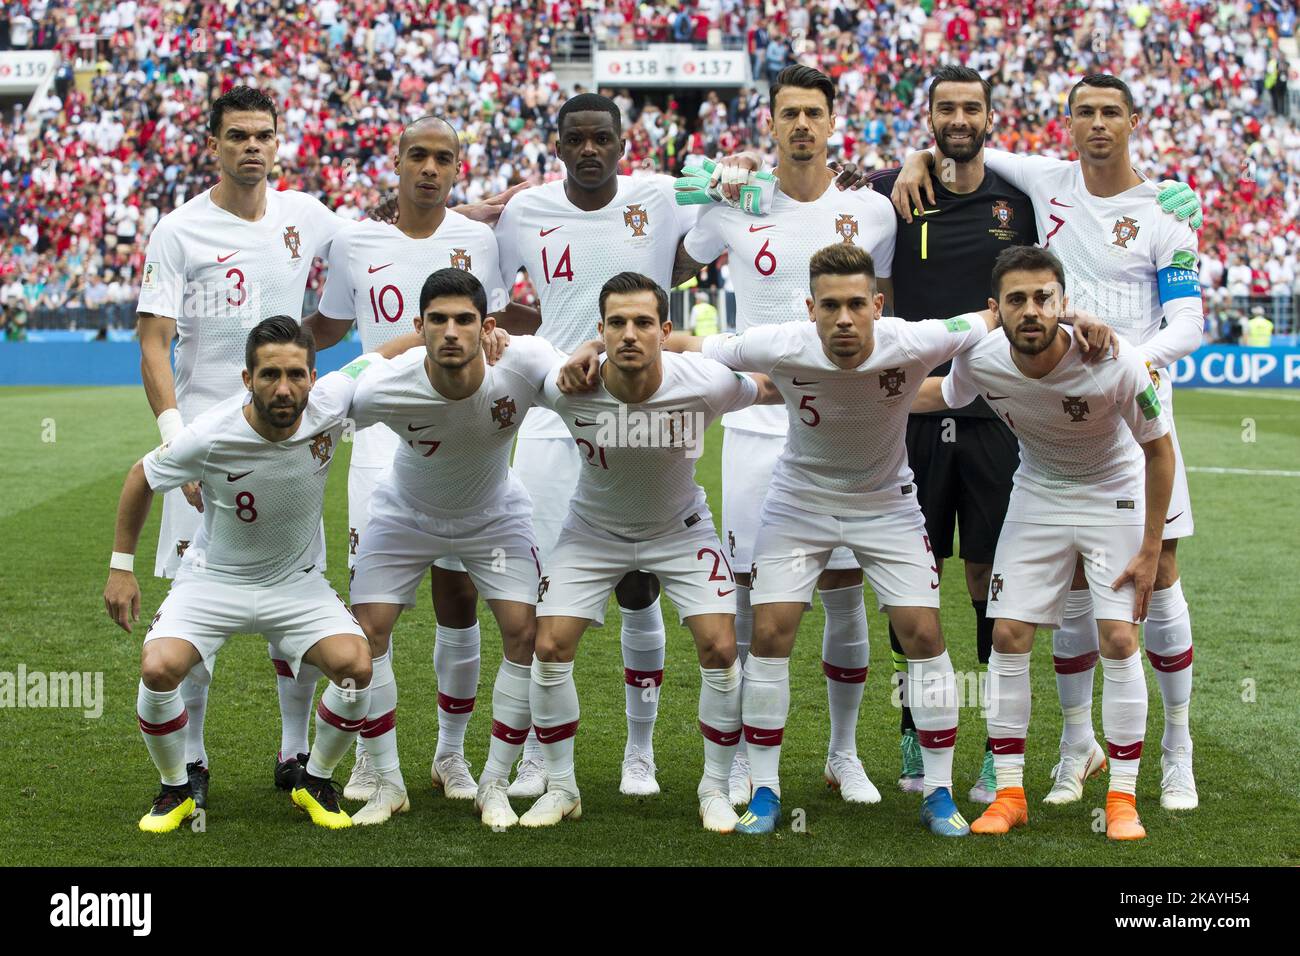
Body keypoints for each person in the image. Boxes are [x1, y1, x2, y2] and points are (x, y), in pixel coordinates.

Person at [894, 73, 1205, 810]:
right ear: (1067, 123)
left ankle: (1177, 748)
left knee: (1155, 580)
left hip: (1131, 407)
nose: (1098, 124)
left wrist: (1121, 361)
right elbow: (958, 142)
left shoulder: (1167, 213)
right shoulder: (1041, 179)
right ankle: (1075, 747)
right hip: (1056, 422)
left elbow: (1189, 324)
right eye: (1084, 113)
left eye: (1111, 113)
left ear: (1134, 120)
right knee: (1066, 596)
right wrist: (912, 162)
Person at [673, 65, 897, 807]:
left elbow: (880, 313)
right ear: (769, 123)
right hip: (757, 424)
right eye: (788, 113)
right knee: (744, 595)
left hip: (840, 427)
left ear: (834, 122)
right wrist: (708, 182)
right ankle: (740, 756)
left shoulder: (870, 211)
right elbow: (674, 263)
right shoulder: (736, 203)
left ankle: (843, 754)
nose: (801, 124)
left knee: (841, 589)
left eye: (813, 112)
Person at [103, 317, 409, 832]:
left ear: (314, 376)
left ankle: (315, 780)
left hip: (296, 584)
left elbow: (381, 354)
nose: (284, 388)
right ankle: (176, 788)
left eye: (295, 374)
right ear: (247, 379)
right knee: (157, 669)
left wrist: (432, 334)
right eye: (269, 375)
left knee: (358, 668)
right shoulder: (212, 433)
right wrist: (121, 568)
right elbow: (142, 477)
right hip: (213, 581)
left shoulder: (331, 401)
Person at [913, 246, 1175, 841]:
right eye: (1016, 300)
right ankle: (1009, 793)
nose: (1030, 310)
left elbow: (1159, 451)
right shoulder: (979, 358)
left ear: (1062, 303)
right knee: (1007, 633)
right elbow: (944, 397)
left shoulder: (1112, 358)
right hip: (1038, 491)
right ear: (995, 308)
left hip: (1114, 493)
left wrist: (1151, 549)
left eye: (1042, 298)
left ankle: (1122, 799)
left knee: (1116, 636)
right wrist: (862, 392)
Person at [495, 93, 702, 799]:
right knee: (538, 591)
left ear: (623, 142)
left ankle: (638, 754)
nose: (589, 149)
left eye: (602, 138)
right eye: (576, 139)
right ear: (557, 145)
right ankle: (532, 752)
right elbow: (495, 301)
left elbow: (747, 190)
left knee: (640, 583)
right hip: (556, 419)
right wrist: (550, 347)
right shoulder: (525, 209)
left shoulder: (663, 194)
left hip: (641, 408)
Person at [522, 272, 781, 832]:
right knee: (549, 645)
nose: (629, 334)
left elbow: (770, 388)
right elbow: (507, 376)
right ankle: (563, 787)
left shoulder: (705, 382)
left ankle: (714, 787)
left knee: (719, 646)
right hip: (593, 531)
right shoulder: (568, 387)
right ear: (601, 331)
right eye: (616, 323)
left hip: (680, 528)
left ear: (666, 330)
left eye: (643, 322)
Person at [302, 115, 509, 805]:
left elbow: (498, 327)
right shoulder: (355, 241)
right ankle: (372, 760)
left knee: (459, 597)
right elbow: (330, 325)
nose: (428, 168)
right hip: (381, 442)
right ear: (396, 160)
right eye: (417, 155)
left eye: (442, 158)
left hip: (462, 437)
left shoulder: (479, 240)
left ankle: (450, 757)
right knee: (372, 615)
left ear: (457, 167)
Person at [343, 269, 575, 827]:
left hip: (493, 516)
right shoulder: (385, 383)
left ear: (486, 326)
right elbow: (315, 410)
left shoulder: (521, 363)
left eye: (465, 320)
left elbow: (580, 376)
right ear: (419, 327)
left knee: (524, 633)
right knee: (363, 638)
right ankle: (387, 782)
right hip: (404, 514)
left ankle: (490, 780)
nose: (452, 331)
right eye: (439, 320)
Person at [866, 65, 1038, 802]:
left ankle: (999, 748)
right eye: (947, 107)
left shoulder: (1022, 200)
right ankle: (914, 729)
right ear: (928, 116)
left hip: (1000, 411)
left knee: (989, 579)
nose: (959, 117)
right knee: (917, 578)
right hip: (917, 409)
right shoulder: (892, 193)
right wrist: (905, 161)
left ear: (989, 117)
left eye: (972, 107)